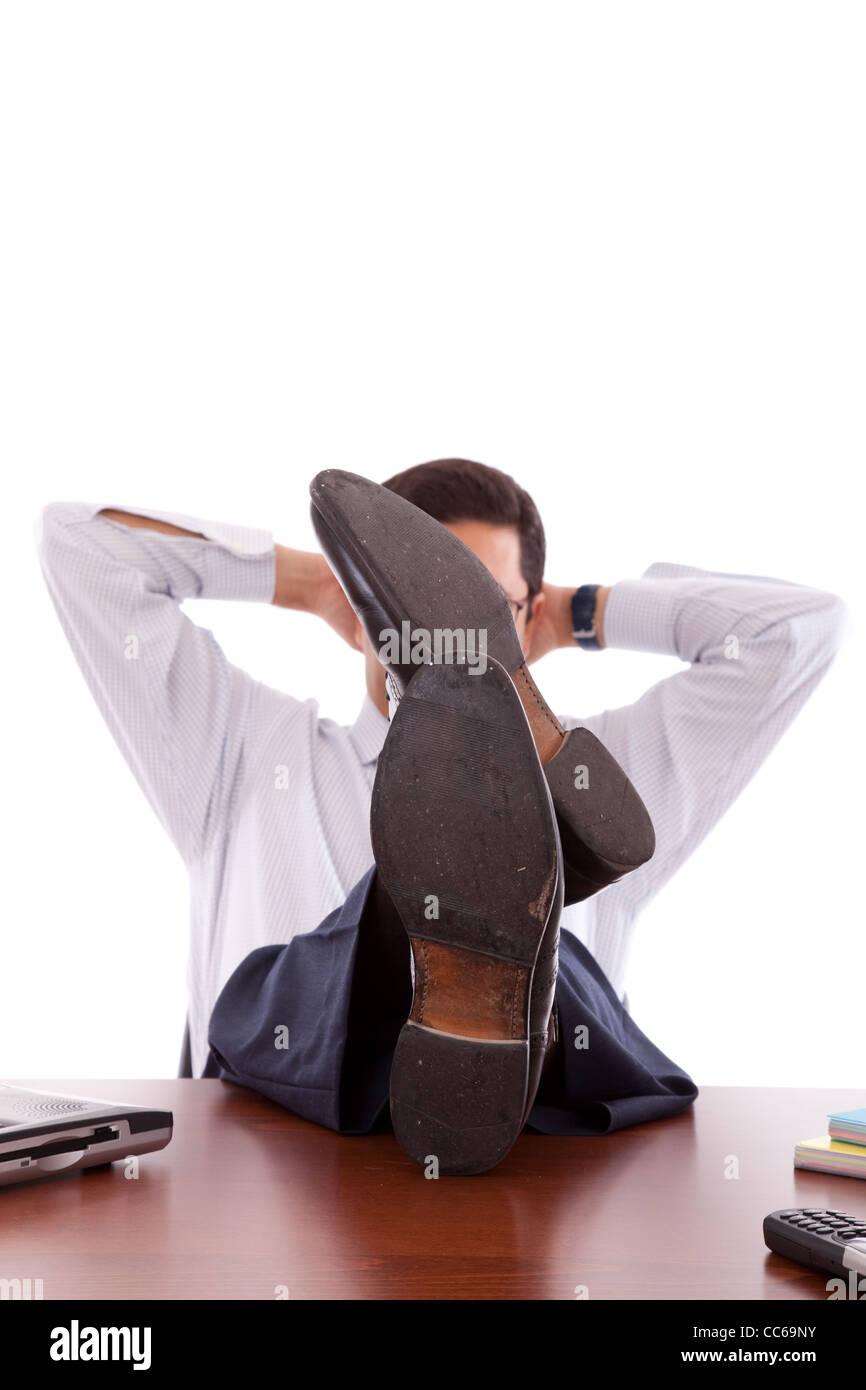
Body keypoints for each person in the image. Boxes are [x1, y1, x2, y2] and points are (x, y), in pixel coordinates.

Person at [36, 459, 848, 1173]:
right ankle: (492, 890)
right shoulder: (240, 752)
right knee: (327, 972)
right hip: (287, 1136)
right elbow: (79, 543)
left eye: (485, 615)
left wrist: (580, 611)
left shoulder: (596, 760)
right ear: (362, 609)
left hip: (527, 1136)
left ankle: (480, 909)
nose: (454, 641)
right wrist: (322, 579)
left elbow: (796, 630)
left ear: (526, 623)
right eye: (422, 613)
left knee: (551, 984)